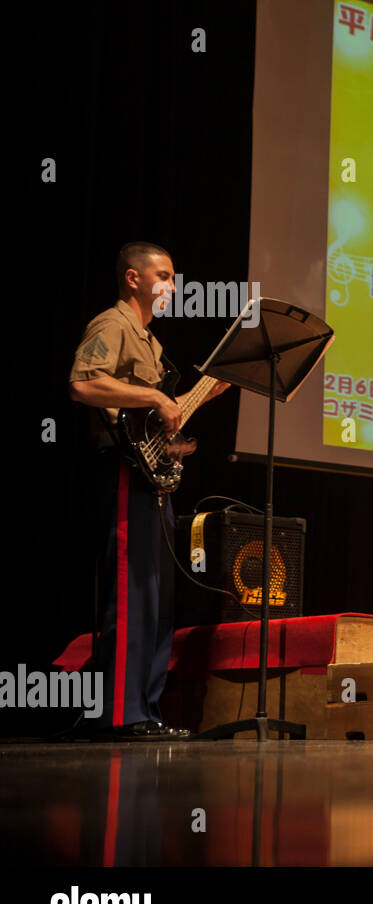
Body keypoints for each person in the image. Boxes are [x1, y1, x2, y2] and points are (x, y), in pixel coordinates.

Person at [68, 241, 230, 739]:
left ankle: (147, 711)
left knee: (158, 599)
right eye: (163, 275)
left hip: (151, 476)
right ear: (133, 278)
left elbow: (161, 416)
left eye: (175, 278)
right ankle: (121, 713)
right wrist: (156, 395)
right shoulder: (112, 324)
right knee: (132, 593)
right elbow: (83, 383)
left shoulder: (150, 341)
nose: (173, 287)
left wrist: (203, 392)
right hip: (121, 472)